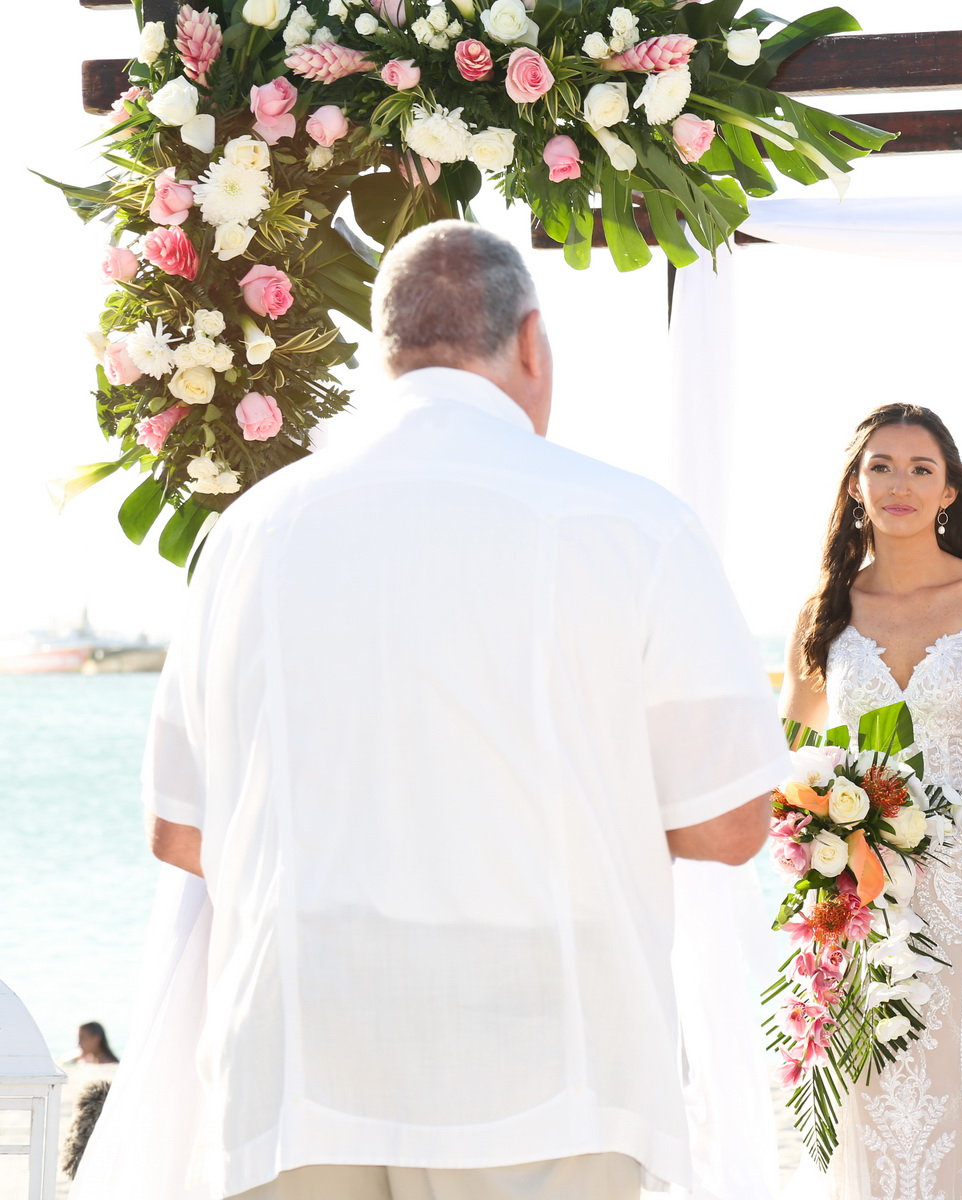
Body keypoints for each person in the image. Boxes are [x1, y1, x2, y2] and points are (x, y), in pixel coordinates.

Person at [140, 220, 789, 1200]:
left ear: (382, 349)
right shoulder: (634, 524)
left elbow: (179, 833)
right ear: (532, 342)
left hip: (299, 1055)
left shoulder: (248, 532)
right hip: (547, 1059)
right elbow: (733, 822)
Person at [779, 403, 962, 1200]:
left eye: (920, 469)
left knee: (959, 1101)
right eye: (881, 467)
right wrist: (818, 837)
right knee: (857, 1106)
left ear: (949, 492)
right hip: (852, 896)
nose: (900, 483)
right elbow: (793, 759)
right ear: (856, 488)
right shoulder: (822, 611)